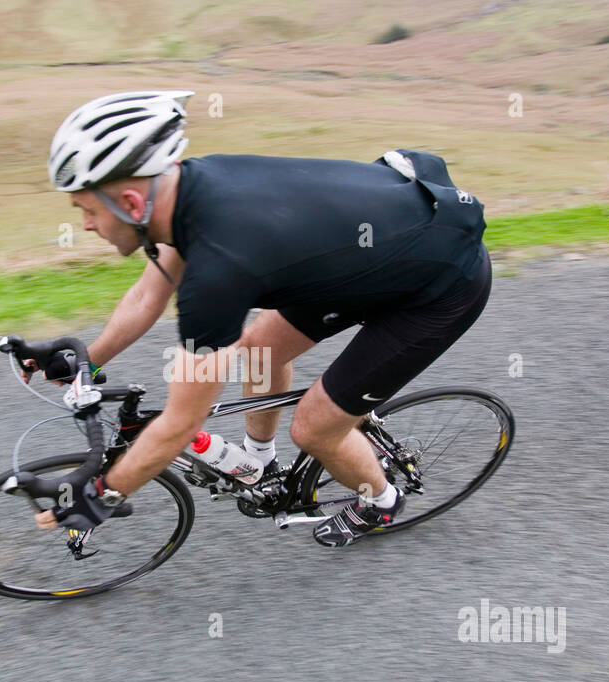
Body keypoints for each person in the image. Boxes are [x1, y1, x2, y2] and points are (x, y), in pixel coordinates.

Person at [27, 90, 492, 546]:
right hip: (366, 258)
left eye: (86, 210)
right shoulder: (188, 192)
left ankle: (381, 501)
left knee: (313, 426)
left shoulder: (217, 271)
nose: (85, 225)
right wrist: (88, 360)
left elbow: (179, 424)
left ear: (131, 203)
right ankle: (260, 462)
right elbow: (148, 294)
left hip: (440, 284)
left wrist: (100, 495)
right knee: (260, 352)